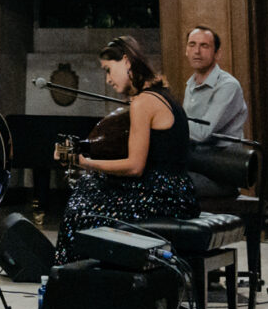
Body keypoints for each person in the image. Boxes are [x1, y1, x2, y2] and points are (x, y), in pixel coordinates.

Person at [53, 35, 198, 265]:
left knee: (80, 212)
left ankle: (74, 279)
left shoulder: (143, 102)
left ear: (127, 62)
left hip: (162, 196)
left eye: (109, 70)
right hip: (178, 192)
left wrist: (85, 163)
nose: (108, 79)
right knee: (89, 187)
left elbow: (134, 167)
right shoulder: (162, 95)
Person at [181, 25, 249, 142]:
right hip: (196, 155)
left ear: (217, 53)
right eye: (192, 45)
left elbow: (202, 133)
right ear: (187, 51)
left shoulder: (228, 85)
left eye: (204, 46)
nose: (197, 51)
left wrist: (170, 121)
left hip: (223, 157)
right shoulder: (191, 84)